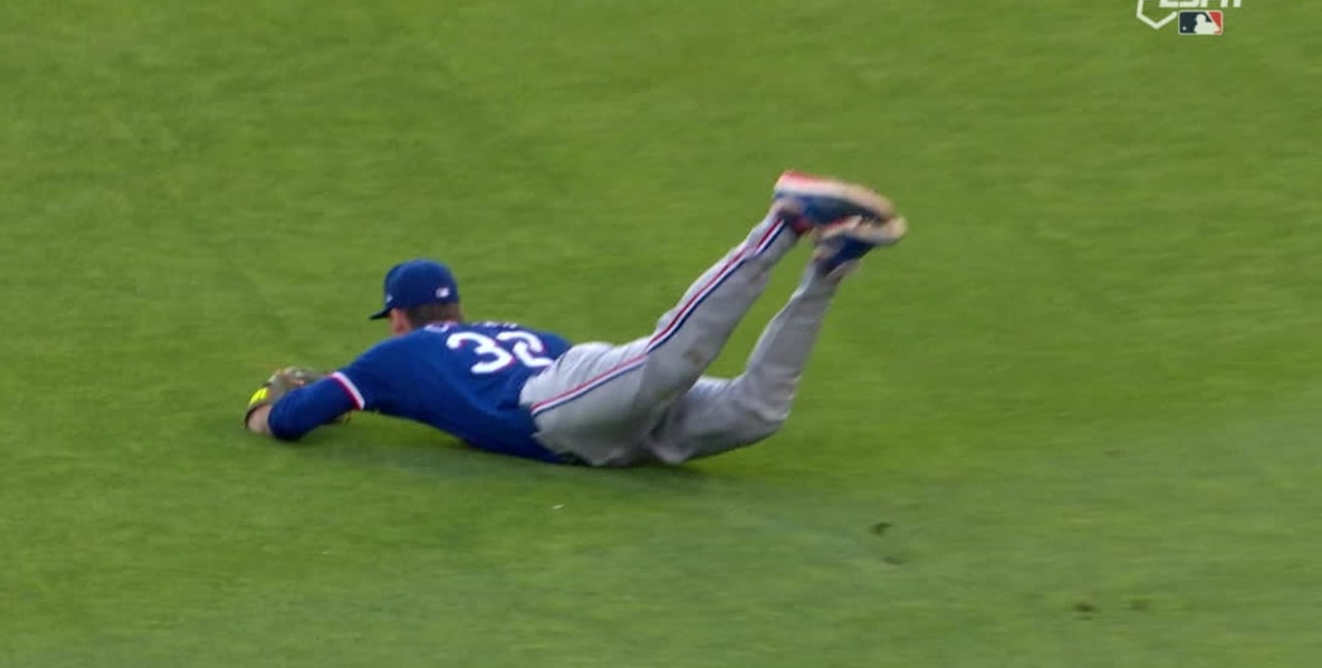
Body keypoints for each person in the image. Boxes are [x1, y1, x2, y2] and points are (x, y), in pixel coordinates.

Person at [243, 171, 908, 466]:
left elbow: (295, 419)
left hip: (561, 410)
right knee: (753, 411)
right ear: (456, 309)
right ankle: (830, 267)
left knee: (669, 358)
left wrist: (263, 411)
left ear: (397, 318)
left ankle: (783, 223)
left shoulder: (389, 360)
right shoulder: (515, 331)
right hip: (602, 421)